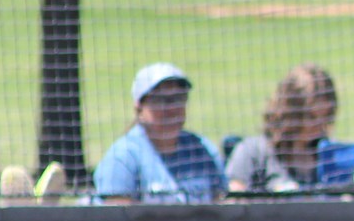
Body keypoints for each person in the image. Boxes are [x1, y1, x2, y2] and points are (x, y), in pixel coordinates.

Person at [93, 63, 227, 203]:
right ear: (139, 108)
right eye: (160, 100)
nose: (171, 109)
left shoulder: (201, 150)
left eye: (179, 98)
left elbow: (221, 207)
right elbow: (117, 217)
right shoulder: (123, 157)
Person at [227, 63, 337, 194]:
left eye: (326, 116)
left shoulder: (330, 156)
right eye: (311, 117)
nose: (320, 125)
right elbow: (234, 200)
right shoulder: (252, 151)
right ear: (290, 113)